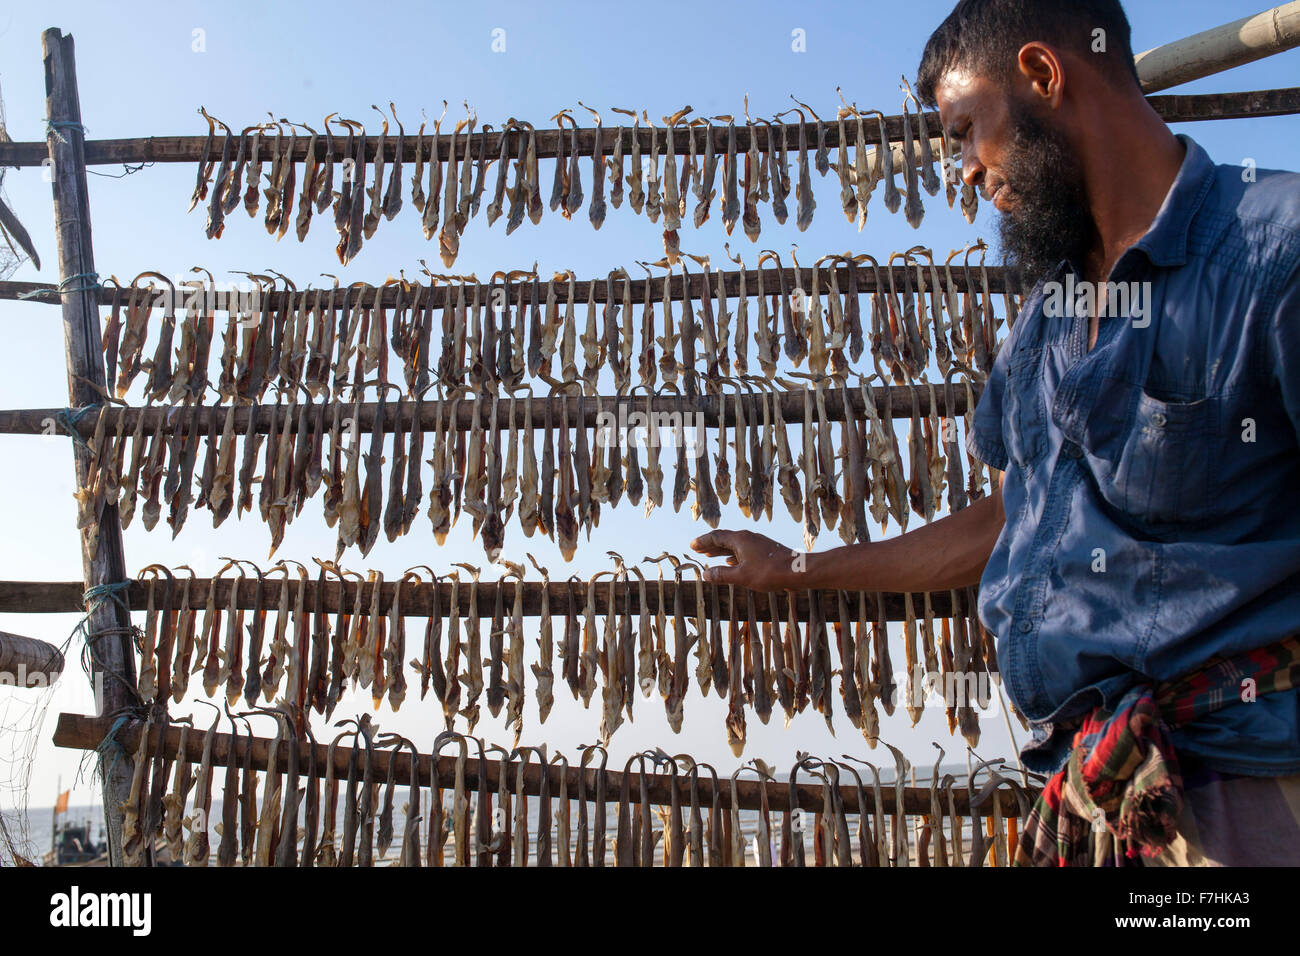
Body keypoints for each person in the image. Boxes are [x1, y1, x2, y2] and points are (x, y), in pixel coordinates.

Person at [691, 0, 1300, 866]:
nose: (966, 172)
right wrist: (796, 568)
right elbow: (1011, 519)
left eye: (966, 130)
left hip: (1245, 797)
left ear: (1044, 77)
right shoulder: (1042, 326)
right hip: (1096, 791)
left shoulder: (1274, 253)